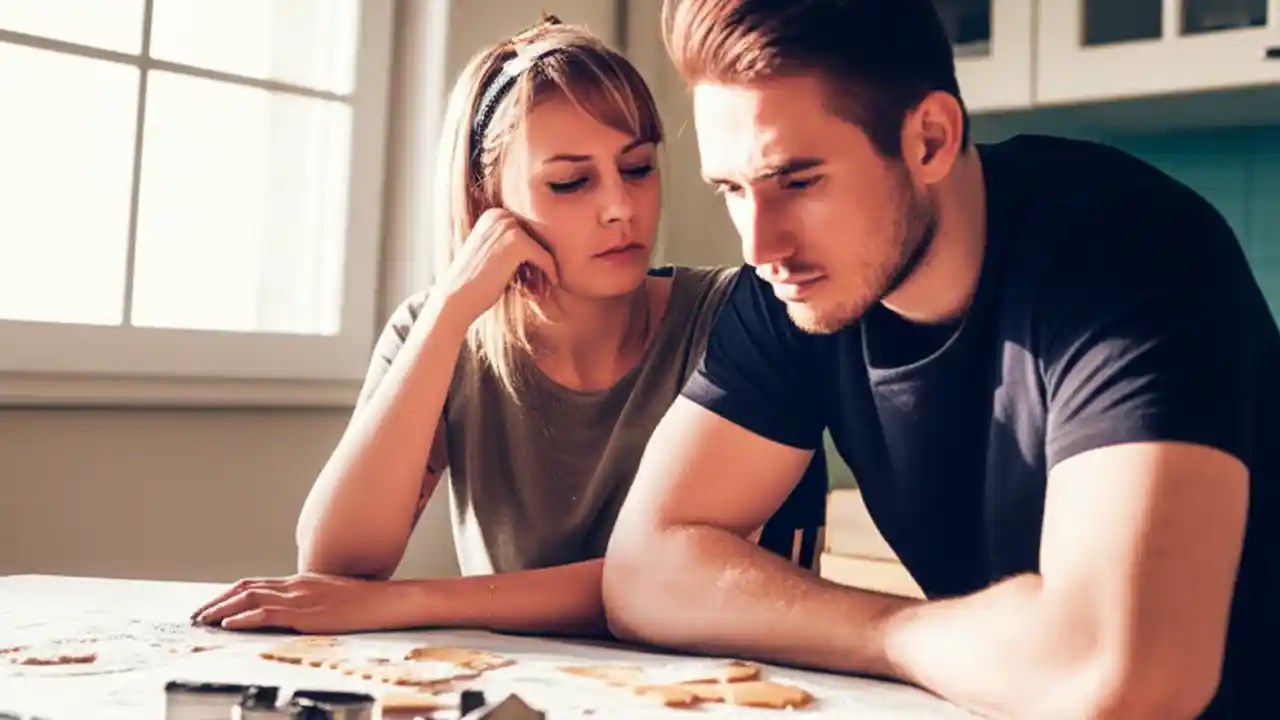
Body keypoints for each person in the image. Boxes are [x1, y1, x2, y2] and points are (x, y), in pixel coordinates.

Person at [602, 1, 1279, 717]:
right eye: (733, 190)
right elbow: (644, 568)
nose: (759, 246)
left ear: (929, 139)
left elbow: (1124, 671)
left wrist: (902, 638)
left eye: (799, 182)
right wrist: (895, 635)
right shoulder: (791, 291)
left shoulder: (1131, 252)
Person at [190, 17, 824, 638]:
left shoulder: (743, 317)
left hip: (737, 682)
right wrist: (448, 312)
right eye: (570, 182)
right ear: (487, 199)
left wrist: (407, 603)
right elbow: (334, 567)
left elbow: (678, 581)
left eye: (637, 167)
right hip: (531, 688)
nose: (619, 208)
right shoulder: (434, 333)